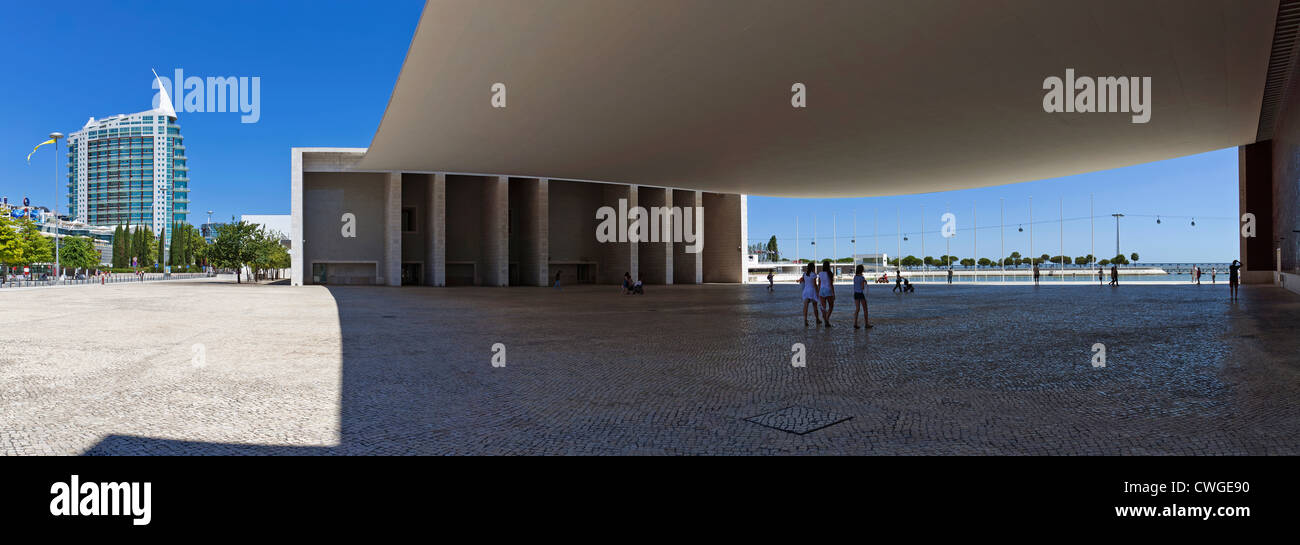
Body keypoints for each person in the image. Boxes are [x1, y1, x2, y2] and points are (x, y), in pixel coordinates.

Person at [798, 262, 822, 327]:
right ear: (813, 267)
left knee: (805, 306)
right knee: (815, 306)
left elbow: (802, 281)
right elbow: (814, 284)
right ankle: (817, 319)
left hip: (806, 291)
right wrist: (818, 292)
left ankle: (805, 320)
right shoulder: (813, 274)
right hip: (812, 291)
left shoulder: (804, 274)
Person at [852, 265, 873, 329]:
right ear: (861, 270)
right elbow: (862, 288)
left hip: (855, 294)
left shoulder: (855, 277)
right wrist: (864, 282)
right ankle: (866, 324)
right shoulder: (862, 277)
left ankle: (855, 323)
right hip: (860, 294)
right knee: (865, 309)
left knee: (857, 309)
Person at [818, 260, 836, 326]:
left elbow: (819, 284)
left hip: (822, 291)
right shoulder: (830, 273)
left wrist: (818, 292)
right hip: (828, 290)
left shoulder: (820, 273)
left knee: (823, 307)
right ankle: (827, 319)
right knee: (831, 306)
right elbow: (831, 284)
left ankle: (825, 320)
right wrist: (833, 293)